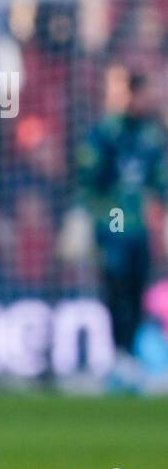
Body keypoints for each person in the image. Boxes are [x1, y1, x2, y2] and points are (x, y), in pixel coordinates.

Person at [77, 69, 166, 388]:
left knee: (136, 290)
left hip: (139, 226)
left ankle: (129, 355)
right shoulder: (105, 134)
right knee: (116, 289)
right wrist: (106, 220)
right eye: (142, 95)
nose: (147, 102)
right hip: (113, 224)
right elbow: (89, 180)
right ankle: (118, 356)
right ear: (129, 95)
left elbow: (161, 179)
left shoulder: (152, 135)